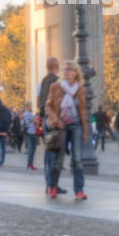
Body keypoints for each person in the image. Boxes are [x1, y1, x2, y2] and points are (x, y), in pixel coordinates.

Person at [44, 61, 87, 200]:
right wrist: (56, 120)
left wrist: (85, 130)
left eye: (70, 69)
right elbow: (48, 107)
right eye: (65, 69)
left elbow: (83, 112)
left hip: (76, 126)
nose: (67, 71)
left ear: (76, 73)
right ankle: (52, 187)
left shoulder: (80, 89)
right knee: (58, 160)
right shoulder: (55, 87)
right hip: (60, 126)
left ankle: (79, 191)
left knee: (78, 160)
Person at [22, 102, 39, 171]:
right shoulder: (29, 114)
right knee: (32, 150)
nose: (31, 107)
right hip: (31, 133)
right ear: (27, 106)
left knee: (31, 149)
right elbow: (37, 122)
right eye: (30, 106)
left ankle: (29, 164)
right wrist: (36, 120)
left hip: (28, 133)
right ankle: (30, 164)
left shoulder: (24, 114)